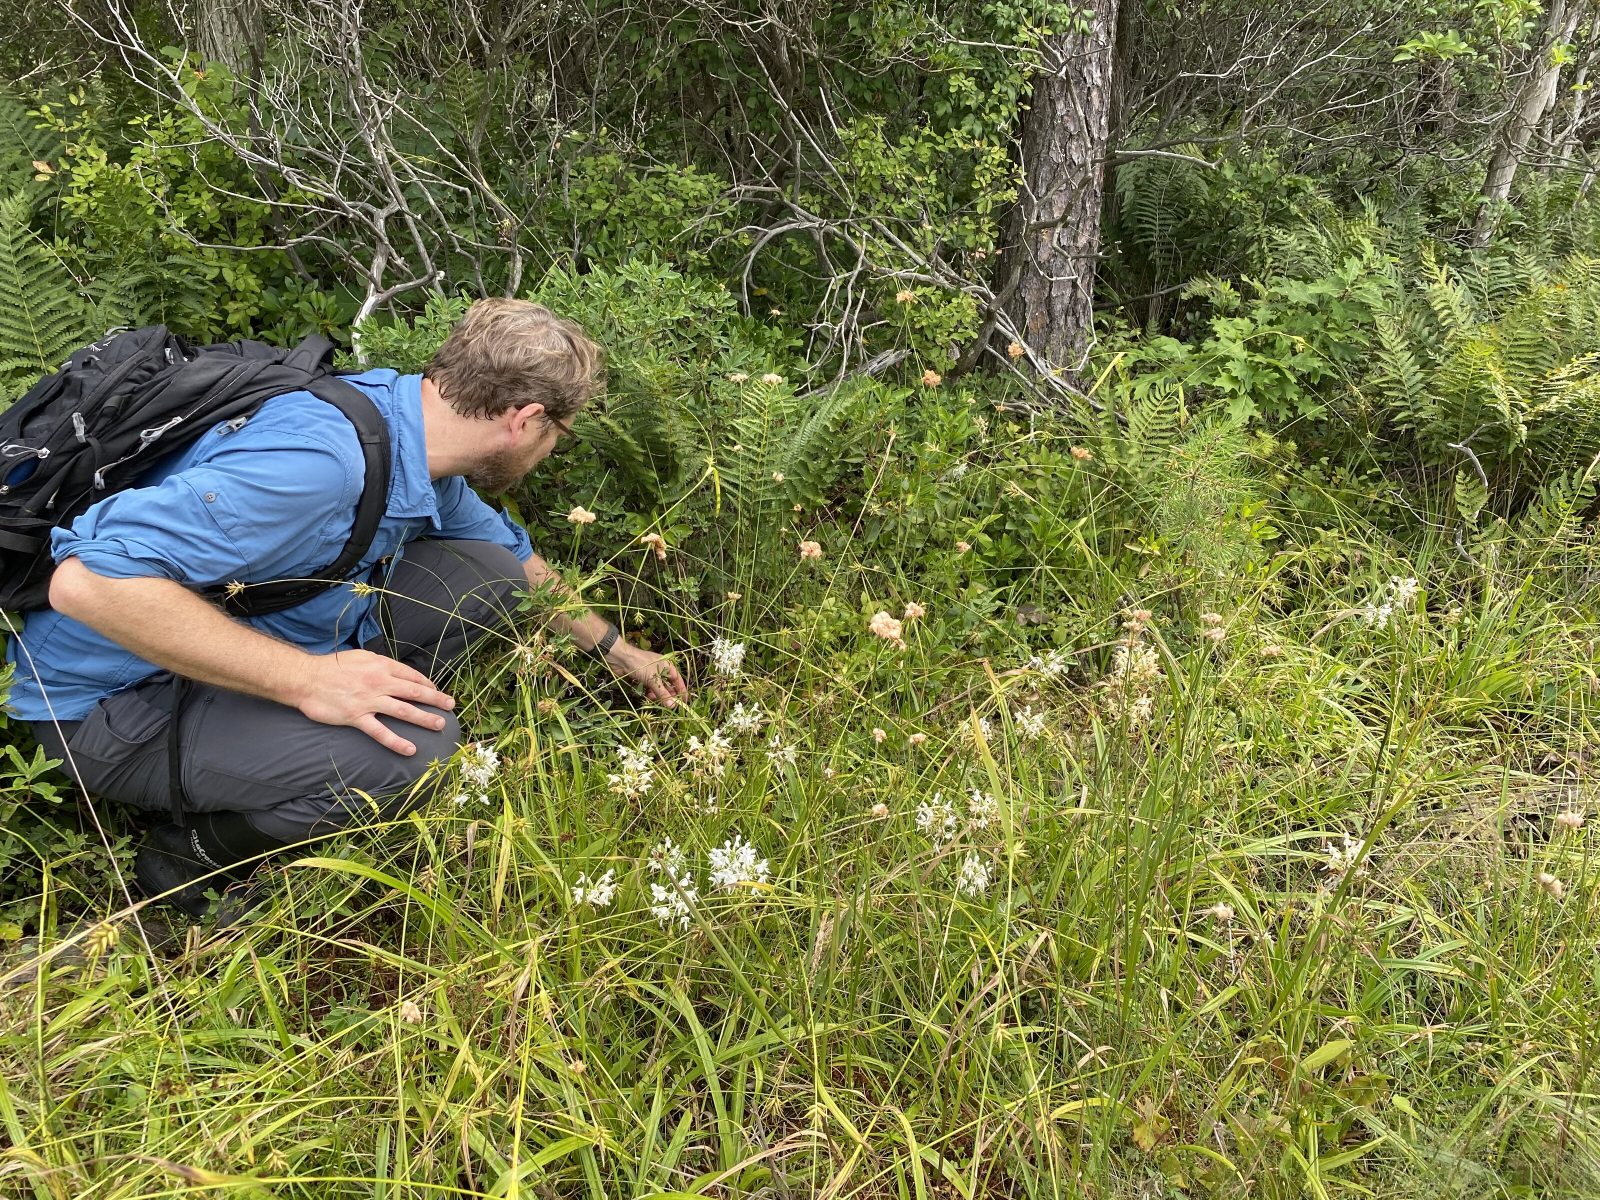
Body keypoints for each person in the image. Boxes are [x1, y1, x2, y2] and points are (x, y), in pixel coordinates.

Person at [5, 298, 689, 920]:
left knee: (489, 573)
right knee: (419, 756)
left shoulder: (404, 429)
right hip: (107, 706)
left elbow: (523, 567)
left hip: (225, 635)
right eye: (557, 436)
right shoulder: (318, 465)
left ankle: (308, 739)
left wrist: (620, 653)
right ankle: (191, 855)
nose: (549, 451)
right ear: (526, 421)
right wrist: (310, 682)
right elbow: (87, 583)